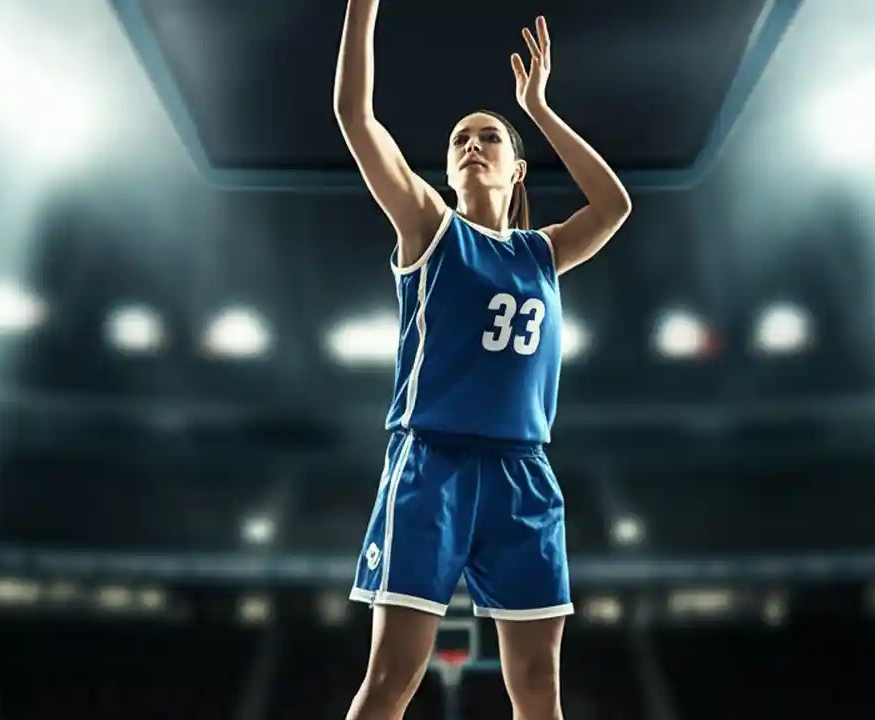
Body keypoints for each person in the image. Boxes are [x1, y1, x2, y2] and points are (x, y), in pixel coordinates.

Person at [333, 2, 631, 718]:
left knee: (538, 687)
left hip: (523, 471)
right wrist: (362, 8)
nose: (472, 143)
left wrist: (539, 107)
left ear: (516, 166)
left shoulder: (544, 252)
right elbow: (355, 116)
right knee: (390, 678)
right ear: (445, 165)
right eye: (460, 137)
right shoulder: (430, 227)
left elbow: (615, 203)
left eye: (489, 136)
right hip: (431, 462)